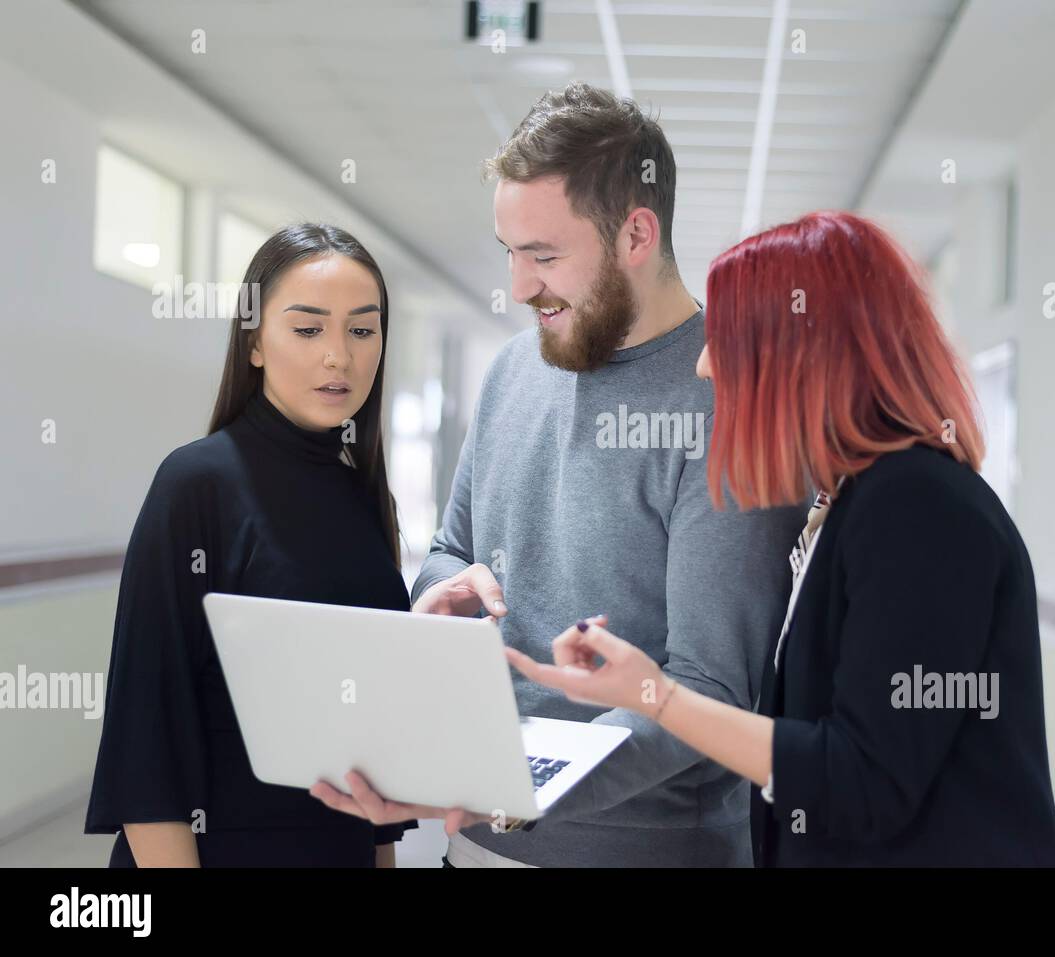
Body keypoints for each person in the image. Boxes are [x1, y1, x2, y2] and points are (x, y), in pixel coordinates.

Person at [311, 83, 806, 867]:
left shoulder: (731, 399)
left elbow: (708, 686)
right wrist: (439, 591)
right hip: (470, 839)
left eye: (544, 256)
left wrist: (514, 792)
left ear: (636, 234)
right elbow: (450, 546)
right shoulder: (515, 370)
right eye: (510, 252)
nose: (518, 287)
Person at [506, 211, 1055, 866]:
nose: (707, 365)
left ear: (804, 354)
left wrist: (655, 695)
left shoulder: (918, 508)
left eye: (729, 340)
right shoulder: (857, 504)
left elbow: (863, 780)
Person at [85, 224, 417, 867]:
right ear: (255, 343)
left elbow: (370, 743)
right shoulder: (196, 484)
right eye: (307, 328)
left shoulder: (363, 494)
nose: (338, 357)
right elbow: (146, 739)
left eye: (361, 329)